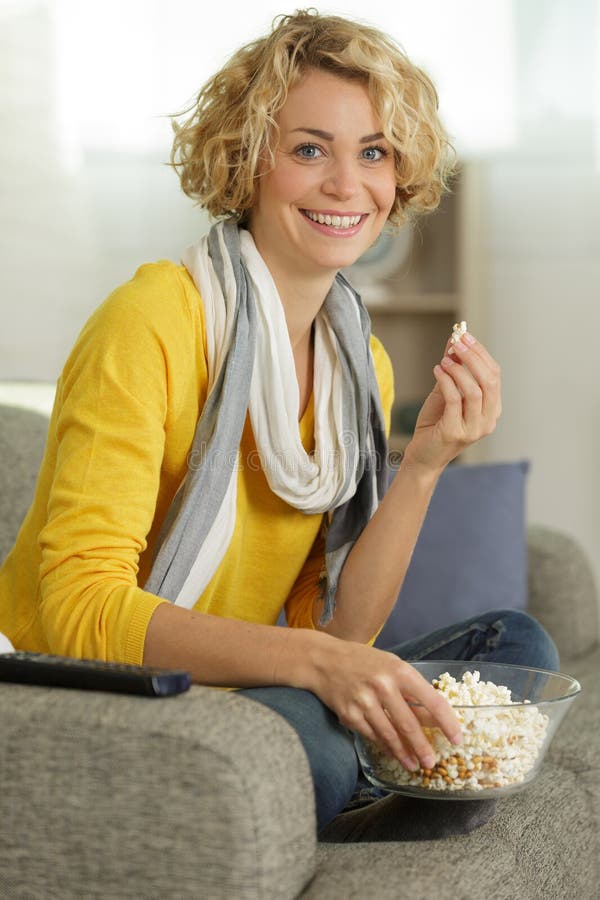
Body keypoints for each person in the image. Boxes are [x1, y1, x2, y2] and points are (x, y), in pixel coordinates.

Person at [0, 9, 558, 840]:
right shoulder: (150, 322)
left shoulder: (360, 364)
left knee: (517, 649)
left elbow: (336, 628)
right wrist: (320, 666)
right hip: (100, 703)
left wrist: (424, 465)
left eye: (374, 152)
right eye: (309, 149)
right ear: (246, 161)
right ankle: (347, 785)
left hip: (251, 693)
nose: (347, 185)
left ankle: (304, 796)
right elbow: (82, 613)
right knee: (327, 749)